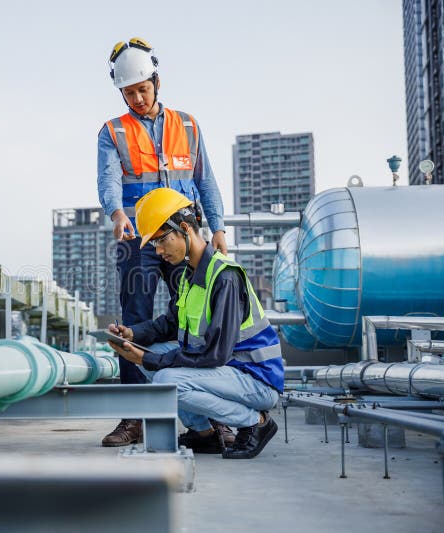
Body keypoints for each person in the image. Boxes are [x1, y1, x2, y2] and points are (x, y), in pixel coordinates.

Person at [97, 37, 228, 447]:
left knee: (192, 317)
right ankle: (133, 417)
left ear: (156, 81)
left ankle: (207, 415)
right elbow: (108, 180)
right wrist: (117, 213)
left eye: (142, 89)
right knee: (133, 319)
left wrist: (218, 226)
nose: (137, 98)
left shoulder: (187, 125)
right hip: (137, 238)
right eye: (129, 92)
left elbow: (205, 179)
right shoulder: (112, 132)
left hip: (185, 236)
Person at [105, 188, 284, 458]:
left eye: (161, 241)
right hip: (228, 372)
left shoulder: (225, 277)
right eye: (154, 244)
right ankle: (204, 434)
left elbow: (215, 354)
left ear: (185, 228)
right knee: (153, 363)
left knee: (164, 378)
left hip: (255, 380)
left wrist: (148, 360)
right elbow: (169, 323)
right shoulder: (190, 277)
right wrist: (133, 333)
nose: (159, 251)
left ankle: (256, 423)